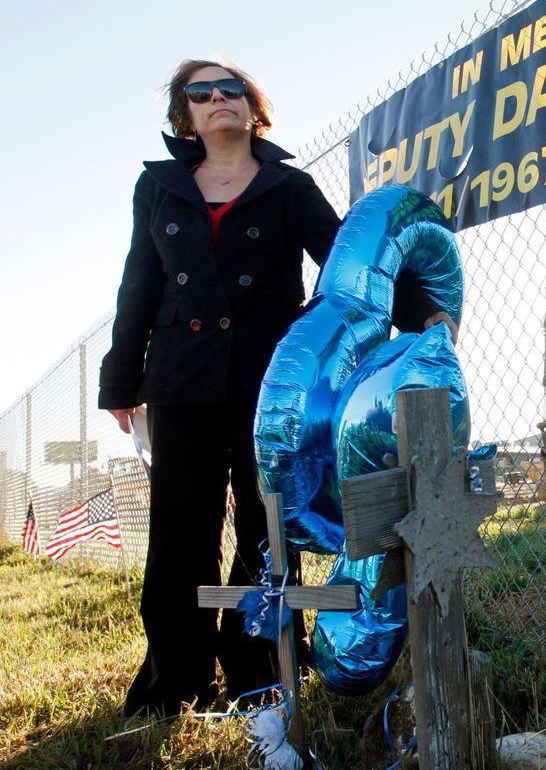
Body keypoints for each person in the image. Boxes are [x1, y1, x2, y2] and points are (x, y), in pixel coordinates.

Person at [100, 59, 456, 717]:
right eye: (199, 93)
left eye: (228, 88)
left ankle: (257, 675)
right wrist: (122, 379)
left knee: (268, 531)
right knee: (181, 531)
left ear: (252, 105)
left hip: (274, 389)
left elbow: (347, 265)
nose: (216, 100)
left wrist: (421, 310)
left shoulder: (289, 187)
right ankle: (173, 685)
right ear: (187, 115)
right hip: (181, 379)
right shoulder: (158, 189)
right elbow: (138, 284)